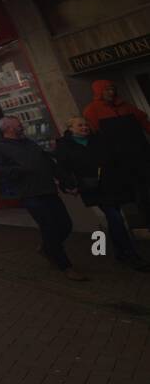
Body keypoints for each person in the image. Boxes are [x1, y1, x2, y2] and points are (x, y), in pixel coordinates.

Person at [0, 115, 87, 281]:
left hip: (47, 189)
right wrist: (20, 170)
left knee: (65, 225)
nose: (22, 127)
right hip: (29, 193)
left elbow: (48, 163)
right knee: (48, 227)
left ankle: (47, 248)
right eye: (19, 125)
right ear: (9, 128)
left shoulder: (29, 143)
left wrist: (66, 182)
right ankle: (65, 266)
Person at [55, 116, 149, 271]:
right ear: (70, 128)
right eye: (80, 125)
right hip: (92, 188)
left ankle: (120, 252)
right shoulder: (65, 146)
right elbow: (63, 170)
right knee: (115, 217)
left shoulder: (98, 139)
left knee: (115, 219)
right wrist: (71, 185)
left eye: (86, 124)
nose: (85, 127)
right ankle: (130, 254)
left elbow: (113, 158)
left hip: (112, 185)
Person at [83, 80, 150, 232]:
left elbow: (144, 121)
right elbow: (94, 135)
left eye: (112, 89)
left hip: (141, 153)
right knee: (135, 191)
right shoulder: (92, 110)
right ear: (99, 92)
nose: (111, 92)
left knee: (144, 187)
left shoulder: (126, 106)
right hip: (117, 159)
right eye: (107, 90)